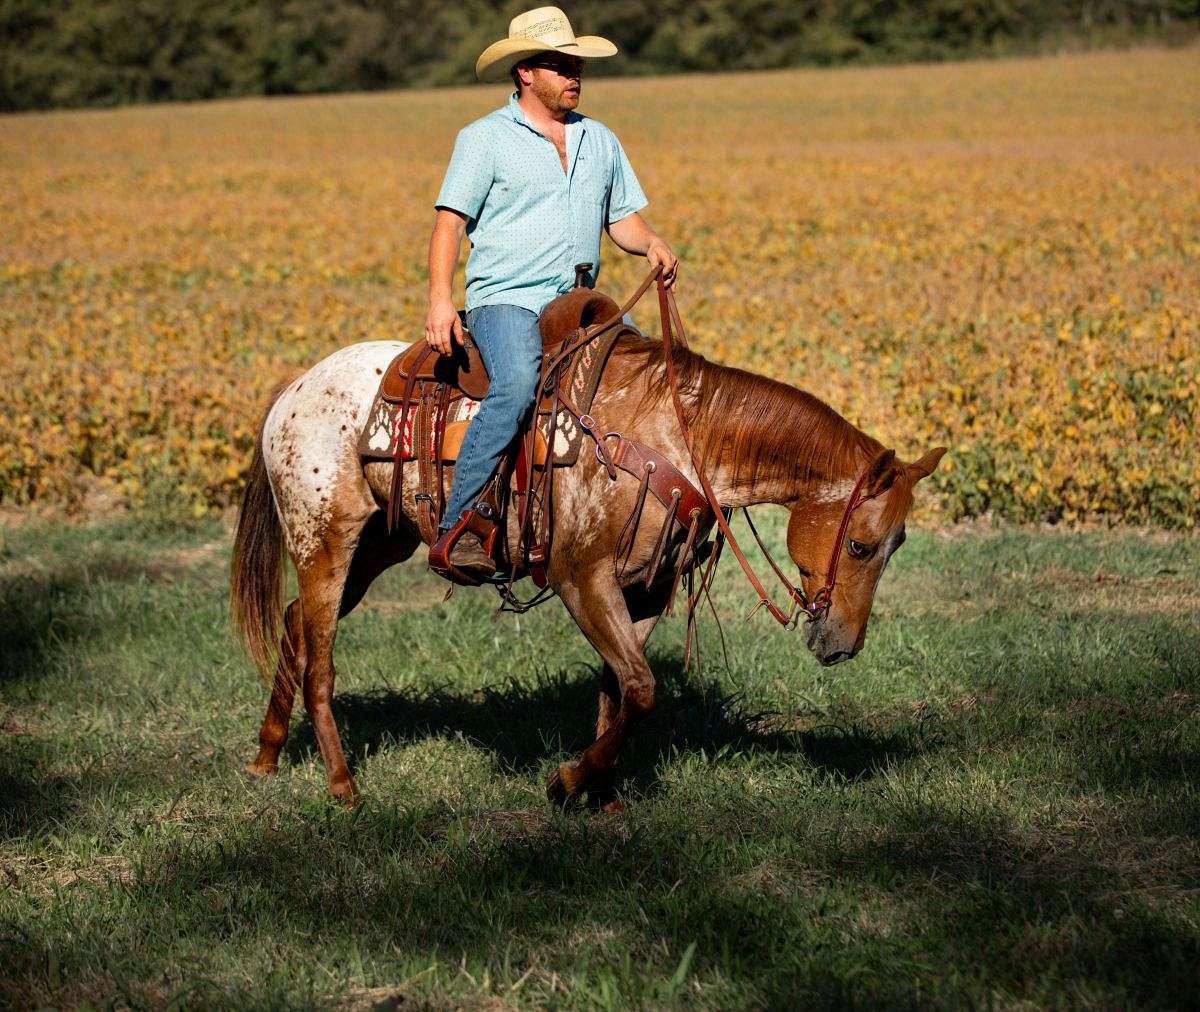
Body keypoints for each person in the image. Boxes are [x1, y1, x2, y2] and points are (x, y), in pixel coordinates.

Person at [425, 5, 679, 581]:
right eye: (560, 66)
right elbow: (448, 222)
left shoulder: (601, 140)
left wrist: (652, 243)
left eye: (576, 65)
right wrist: (441, 300)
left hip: (576, 302)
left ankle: (637, 521)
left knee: (650, 375)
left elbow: (622, 222)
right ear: (526, 74)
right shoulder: (484, 139)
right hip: (506, 298)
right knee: (515, 383)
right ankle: (459, 523)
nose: (573, 75)